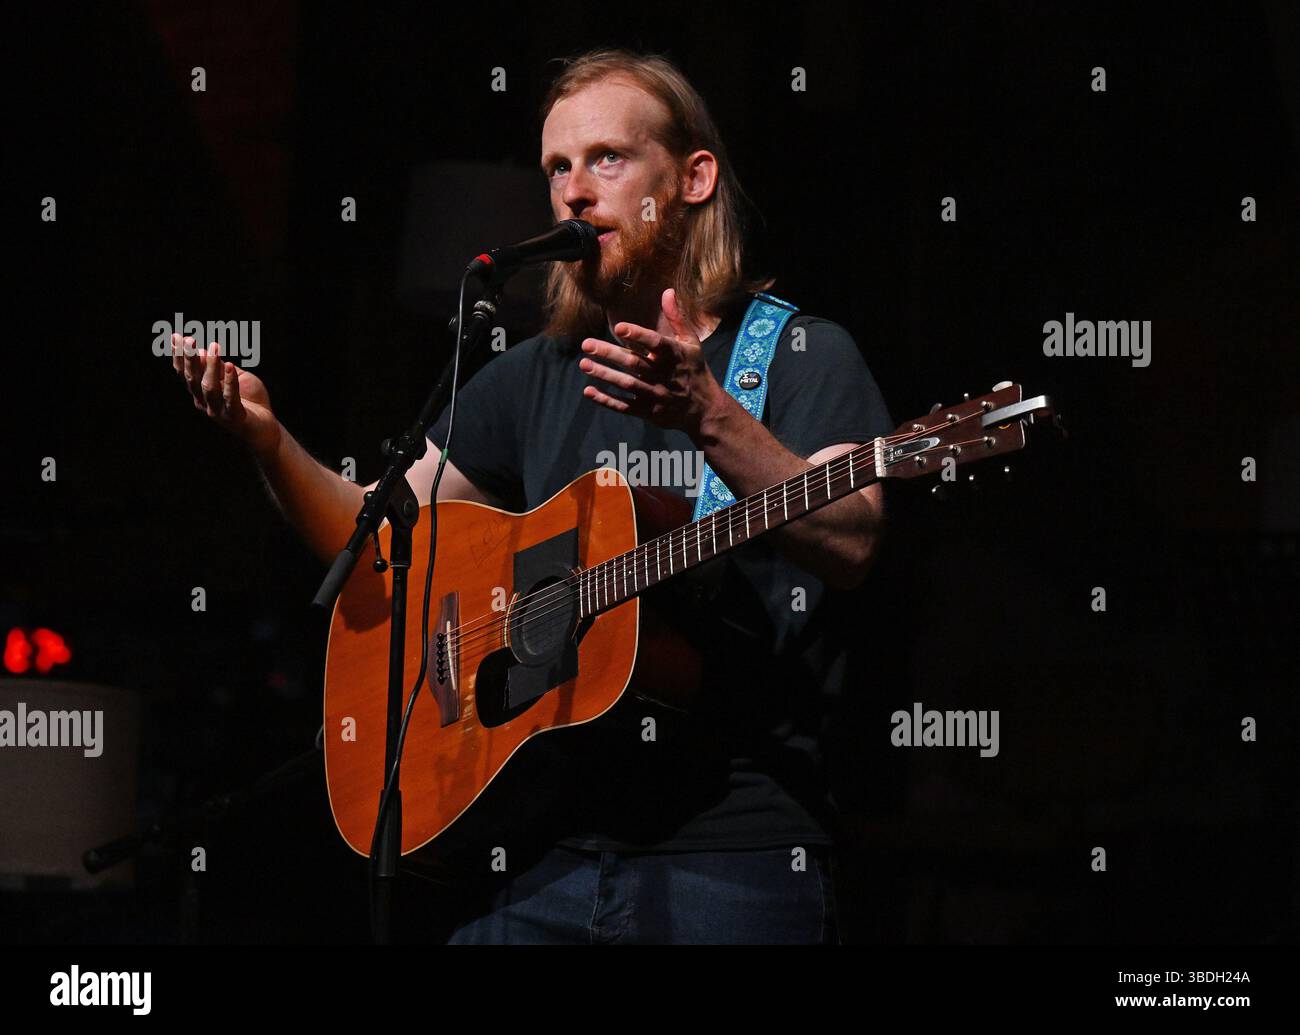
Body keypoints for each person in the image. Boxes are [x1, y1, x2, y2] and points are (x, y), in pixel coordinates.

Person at [170, 47, 893, 944]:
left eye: (607, 159)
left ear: (695, 177)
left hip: (732, 862)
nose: (574, 192)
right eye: (557, 167)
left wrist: (713, 417)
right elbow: (376, 543)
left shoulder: (800, 355)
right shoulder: (533, 374)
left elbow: (853, 537)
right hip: (530, 854)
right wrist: (269, 442)